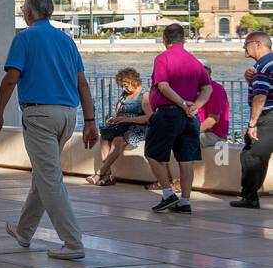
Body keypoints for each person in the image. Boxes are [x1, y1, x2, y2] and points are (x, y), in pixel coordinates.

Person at [0, 0, 98, 260]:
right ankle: (25, 232)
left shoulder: (24, 39)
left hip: (39, 115)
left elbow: (11, 79)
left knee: (50, 178)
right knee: (44, 173)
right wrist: (90, 120)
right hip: (68, 115)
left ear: (29, 12)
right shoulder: (66, 40)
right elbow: (82, 84)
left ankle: (73, 242)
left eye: (23, 10)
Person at [143, 23, 211, 214]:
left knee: (153, 153)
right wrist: (195, 106)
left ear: (165, 40)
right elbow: (208, 88)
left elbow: (163, 86)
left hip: (168, 113)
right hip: (190, 117)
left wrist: (182, 103)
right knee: (186, 158)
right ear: (184, 39)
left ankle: (168, 194)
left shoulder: (162, 58)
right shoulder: (194, 61)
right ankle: (185, 201)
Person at [87, 68, 151, 186]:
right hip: (122, 125)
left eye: (126, 85)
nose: (124, 88)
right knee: (105, 137)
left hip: (138, 127)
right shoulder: (124, 95)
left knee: (117, 140)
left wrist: (127, 119)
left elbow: (148, 118)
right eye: (122, 86)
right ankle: (107, 175)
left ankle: (101, 172)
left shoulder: (144, 95)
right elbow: (118, 113)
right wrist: (114, 119)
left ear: (133, 81)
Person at [232, 32, 273, 209]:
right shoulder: (265, 65)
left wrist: (252, 124)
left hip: (268, 117)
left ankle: (249, 197)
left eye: (246, 44)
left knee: (251, 155)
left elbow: (260, 97)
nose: (244, 47)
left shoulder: (263, 67)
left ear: (258, 44)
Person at [196, 61, 230, 148]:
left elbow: (212, 120)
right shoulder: (194, 89)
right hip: (201, 132)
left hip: (214, 135)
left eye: (202, 69)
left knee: (185, 141)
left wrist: (192, 132)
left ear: (209, 71)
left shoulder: (216, 89)